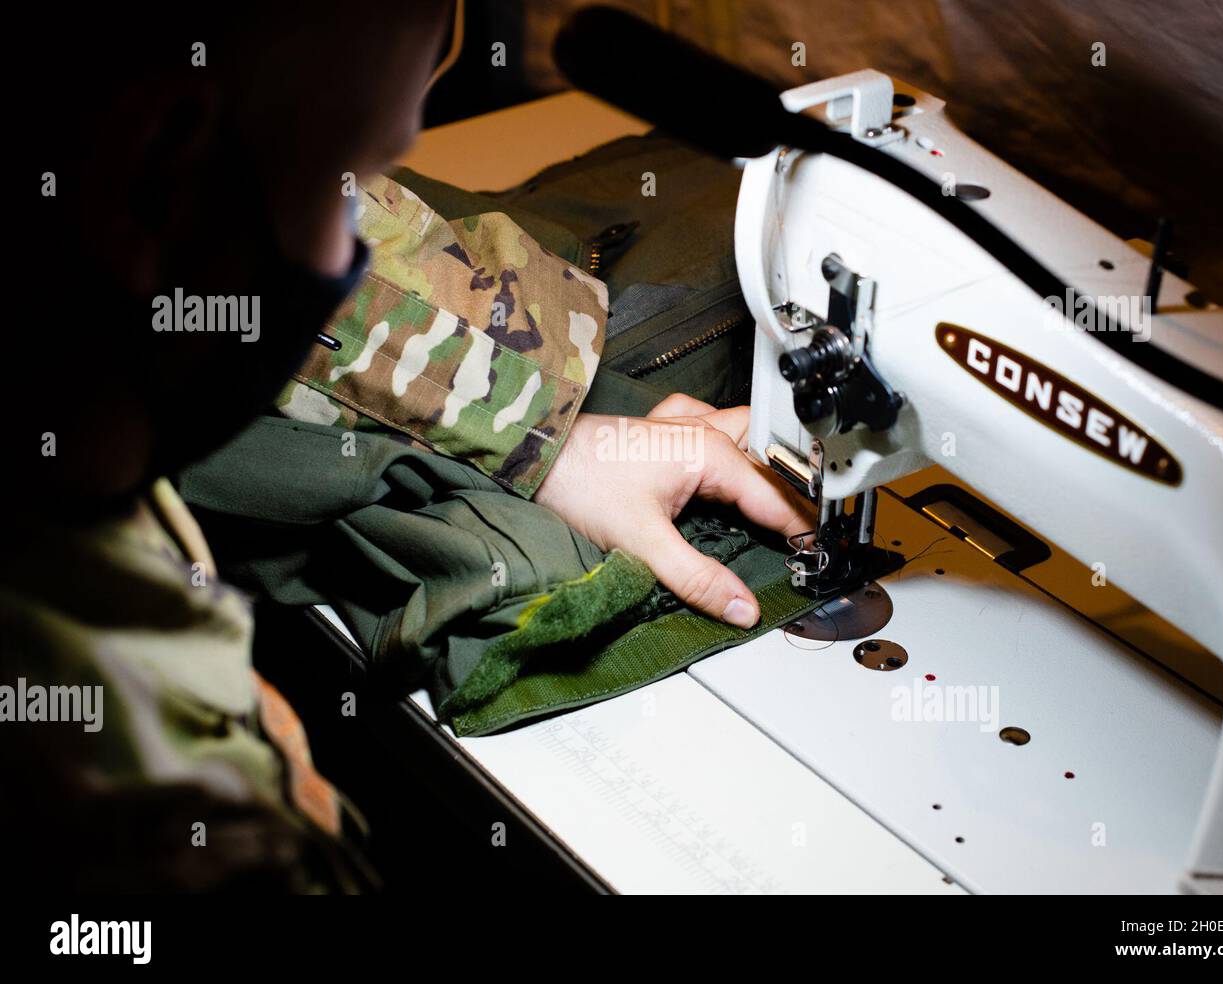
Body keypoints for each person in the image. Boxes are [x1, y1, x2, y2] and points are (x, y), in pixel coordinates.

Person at [7, 4, 808, 889]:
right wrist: (540, 426)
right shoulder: (143, 801)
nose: (370, 249)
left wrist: (548, 428)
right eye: (351, 189)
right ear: (155, 179)